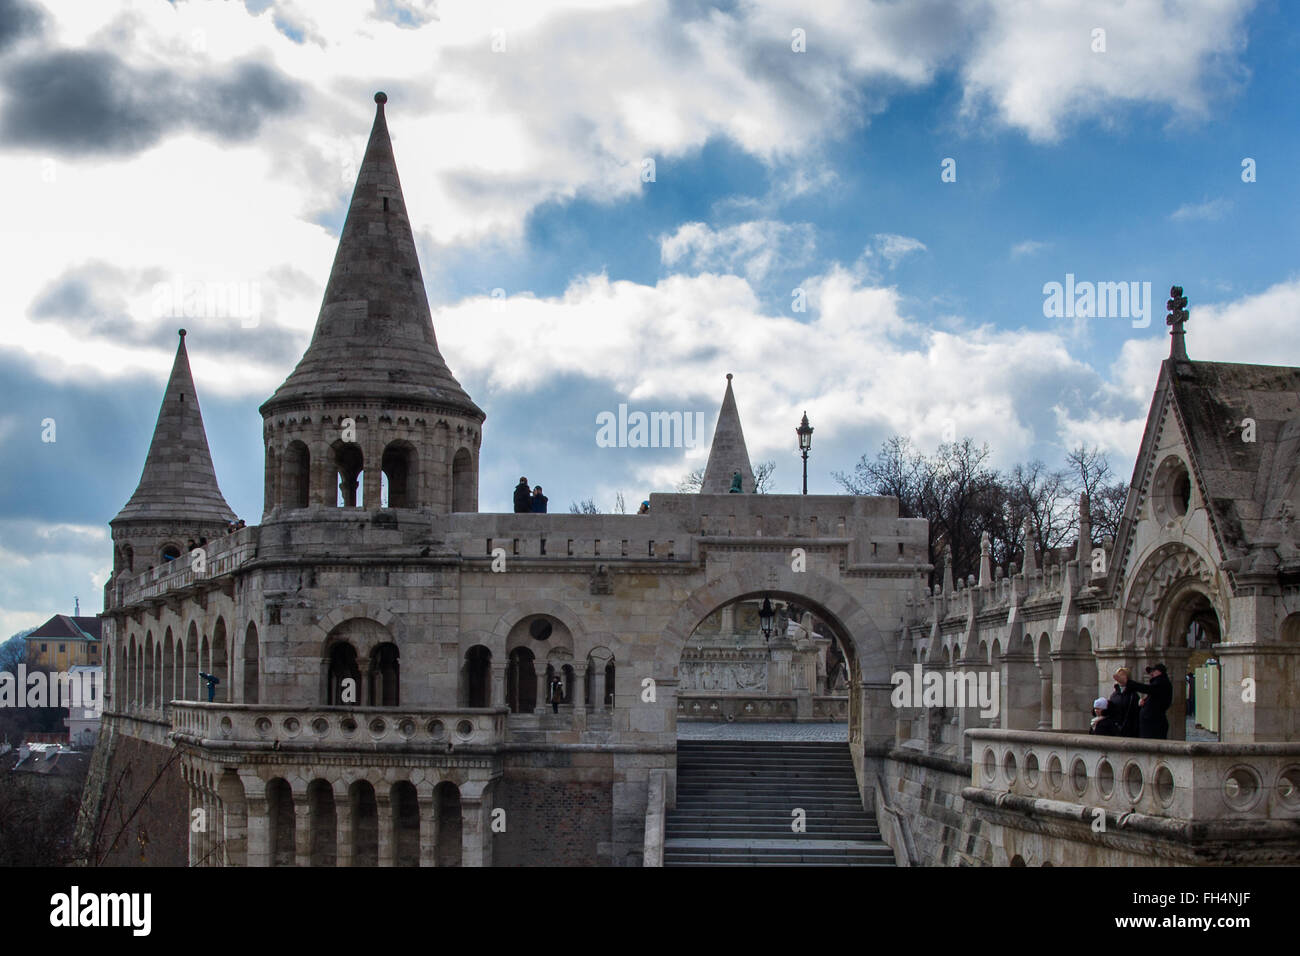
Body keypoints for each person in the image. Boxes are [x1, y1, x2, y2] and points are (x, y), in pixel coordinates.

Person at [1130, 662, 1173, 739]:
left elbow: (1147, 689)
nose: (1151, 674)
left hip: (1154, 724)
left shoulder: (1161, 683)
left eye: (1152, 671)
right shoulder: (1159, 682)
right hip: (1151, 722)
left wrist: (1129, 683)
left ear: (1159, 672)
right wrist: (1144, 702)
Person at [1107, 667, 1142, 738]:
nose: (1119, 677)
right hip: (1115, 728)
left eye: (1122, 675)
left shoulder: (1133, 695)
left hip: (1129, 730)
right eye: (1118, 675)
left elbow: (1135, 714)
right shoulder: (1114, 694)